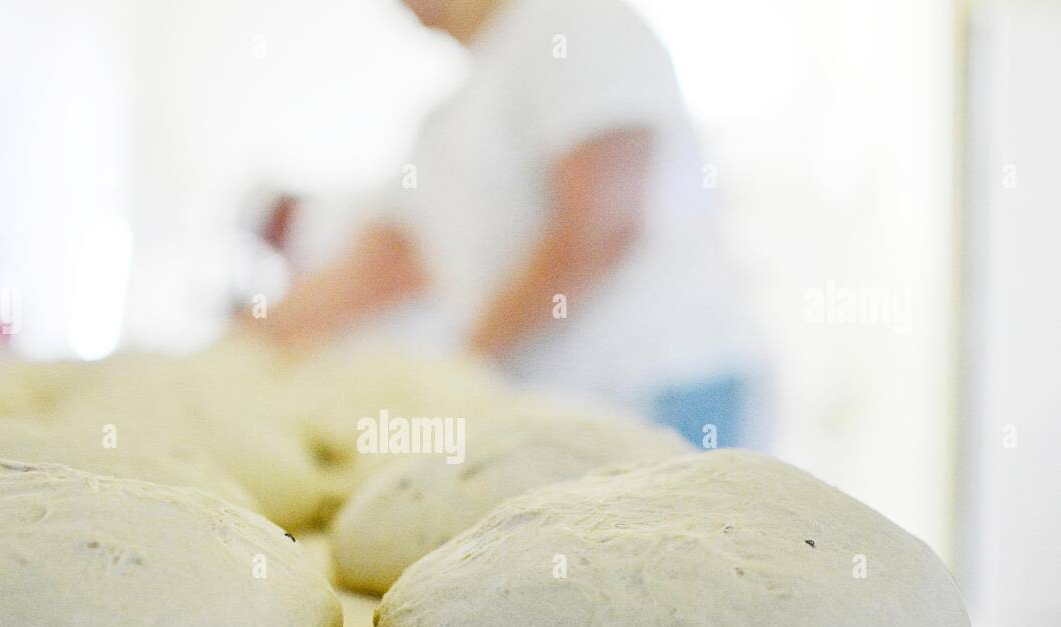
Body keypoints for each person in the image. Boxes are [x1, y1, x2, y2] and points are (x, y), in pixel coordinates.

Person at [246, 0, 767, 449]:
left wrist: (461, 370)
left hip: (660, 389)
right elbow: (377, 266)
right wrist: (245, 341)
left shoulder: (575, 21)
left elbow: (601, 226)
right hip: (560, 407)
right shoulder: (457, 107)